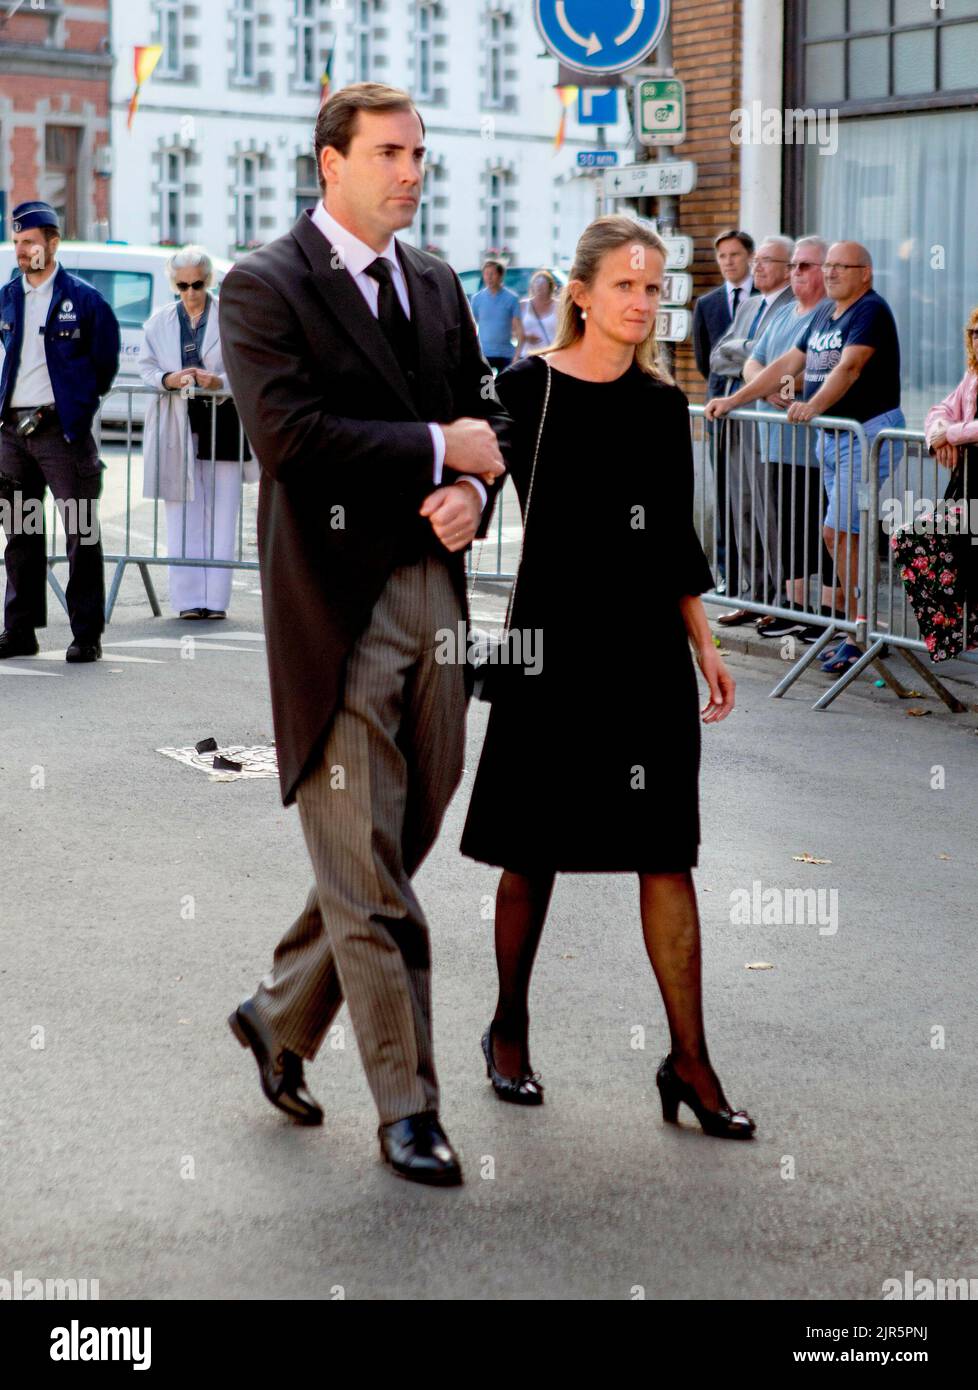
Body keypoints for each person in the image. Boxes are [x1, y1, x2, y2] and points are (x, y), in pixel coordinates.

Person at [219, 83, 511, 1187]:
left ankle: (279, 1012)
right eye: (390, 152)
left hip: (433, 590)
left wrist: (476, 495)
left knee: (403, 830)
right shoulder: (263, 285)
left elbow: (492, 427)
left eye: (420, 154)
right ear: (328, 163)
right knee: (373, 872)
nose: (411, 171)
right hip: (332, 608)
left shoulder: (435, 283)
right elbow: (292, 438)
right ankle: (409, 1104)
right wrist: (440, 450)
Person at [460, 214, 755, 1141]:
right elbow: (473, 489)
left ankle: (690, 1060)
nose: (642, 303)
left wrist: (703, 640)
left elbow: (672, 535)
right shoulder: (526, 389)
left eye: (655, 288)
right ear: (579, 293)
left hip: (643, 657)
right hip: (549, 649)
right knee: (530, 850)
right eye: (626, 286)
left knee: (667, 851)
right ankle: (508, 1027)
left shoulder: (664, 405)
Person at [707, 241, 904, 673]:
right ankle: (858, 628)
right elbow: (784, 366)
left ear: (865, 273)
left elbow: (849, 368)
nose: (831, 273)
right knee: (840, 533)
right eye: (827, 265)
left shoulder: (870, 310)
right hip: (833, 438)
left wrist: (813, 404)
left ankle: (863, 631)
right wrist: (735, 400)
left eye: (841, 266)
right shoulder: (822, 315)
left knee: (840, 532)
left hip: (864, 434)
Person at [0, 201, 120, 662]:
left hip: (61, 433)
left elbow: (104, 365)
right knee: (21, 532)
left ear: (52, 243)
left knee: (81, 532)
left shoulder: (84, 299)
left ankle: (85, 635)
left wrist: (72, 407)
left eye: (29, 241)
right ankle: (20, 629)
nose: (21, 249)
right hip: (14, 431)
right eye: (16, 241)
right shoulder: (9, 296)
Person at [139, 245, 258, 620]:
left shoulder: (233, 318)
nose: (190, 292)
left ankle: (216, 600)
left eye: (197, 284)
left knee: (222, 511)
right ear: (174, 284)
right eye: (183, 285)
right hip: (179, 423)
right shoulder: (158, 322)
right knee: (182, 512)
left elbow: (252, 366)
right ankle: (188, 600)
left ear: (209, 281)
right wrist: (167, 378)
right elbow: (145, 368)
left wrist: (218, 381)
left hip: (223, 422)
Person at [744, 236, 842, 642]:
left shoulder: (828, 315)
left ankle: (830, 614)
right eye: (795, 266)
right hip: (776, 442)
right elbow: (754, 361)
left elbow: (823, 370)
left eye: (805, 265)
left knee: (819, 530)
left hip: (812, 449)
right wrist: (764, 387)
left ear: (824, 271)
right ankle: (796, 608)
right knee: (787, 529)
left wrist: (780, 384)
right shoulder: (783, 313)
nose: (796, 272)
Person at [709, 236, 795, 626]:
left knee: (769, 511)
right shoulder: (747, 305)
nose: (755, 267)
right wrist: (755, 351)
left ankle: (781, 599)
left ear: (789, 266)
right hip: (740, 420)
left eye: (765, 261)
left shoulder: (795, 305)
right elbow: (717, 357)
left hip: (770, 424)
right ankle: (752, 594)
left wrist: (750, 357)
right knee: (741, 506)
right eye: (755, 260)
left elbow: (784, 361)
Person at [692, 229, 758, 593]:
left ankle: (762, 578)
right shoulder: (708, 303)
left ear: (748, 257)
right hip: (720, 408)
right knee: (725, 492)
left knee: (756, 496)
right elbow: (706, 361)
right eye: (722, 257)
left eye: (734, 255)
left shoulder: (766, 299)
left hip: (757, 407)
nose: (728, 262)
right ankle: (728, 573)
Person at [923, 305, 978, 602]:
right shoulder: (972, 375)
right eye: (975, 333)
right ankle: (955, 634)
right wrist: (939, 436)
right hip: (968, 482)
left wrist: (951, 434)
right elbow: (940, 410)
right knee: (939, 546)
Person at [471, 259, 521, 372]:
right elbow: (472, 326)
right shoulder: (477, 299)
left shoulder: (511, 298)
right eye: (486, 274)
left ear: (500, 275)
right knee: (485, 388)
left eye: (492, 274)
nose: (489, 277)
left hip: (506, 354)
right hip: (484, 353)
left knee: (503, 387)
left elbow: (519, 329)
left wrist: (517, 355)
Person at [513, 269, 559, 359]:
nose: (539, 287)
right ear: (532, 287)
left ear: (550, 287)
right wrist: (525, 336)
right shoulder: (523, 305)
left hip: (550, 357)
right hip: (527, 356)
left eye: (543, 285)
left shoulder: (559, 306)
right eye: (536, 284)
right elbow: (512, 331)